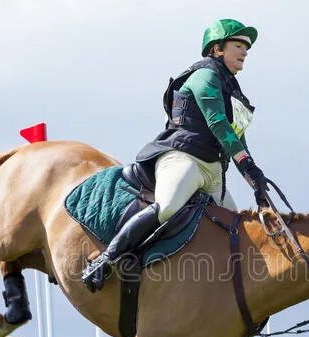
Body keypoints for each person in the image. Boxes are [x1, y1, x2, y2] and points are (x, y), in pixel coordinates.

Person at [83, 18, 269, 291]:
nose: (244, 52)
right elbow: (218, 124)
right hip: (184, 158)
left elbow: (237, 137)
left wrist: (255, 180)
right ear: (217, 49)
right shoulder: (205, 75)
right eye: (238, 45)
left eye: (246, 48)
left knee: (236, 230)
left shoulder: (233, 89)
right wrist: (246, 163)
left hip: (214, 171)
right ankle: (106, 260)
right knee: (169, 206)